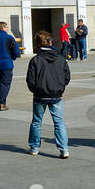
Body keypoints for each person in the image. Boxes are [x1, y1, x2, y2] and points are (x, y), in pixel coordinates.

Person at [25, 30, 70, 158]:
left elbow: (30, 80)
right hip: (56, 95)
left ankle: (34, 147)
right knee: (59, 121)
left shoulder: (36, 60)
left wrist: (36, 89)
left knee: (36, 121)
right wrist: (60, 87)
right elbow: (67, 77)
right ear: (50, 42)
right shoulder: (61, 58)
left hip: (40, 94)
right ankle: (64, 149)